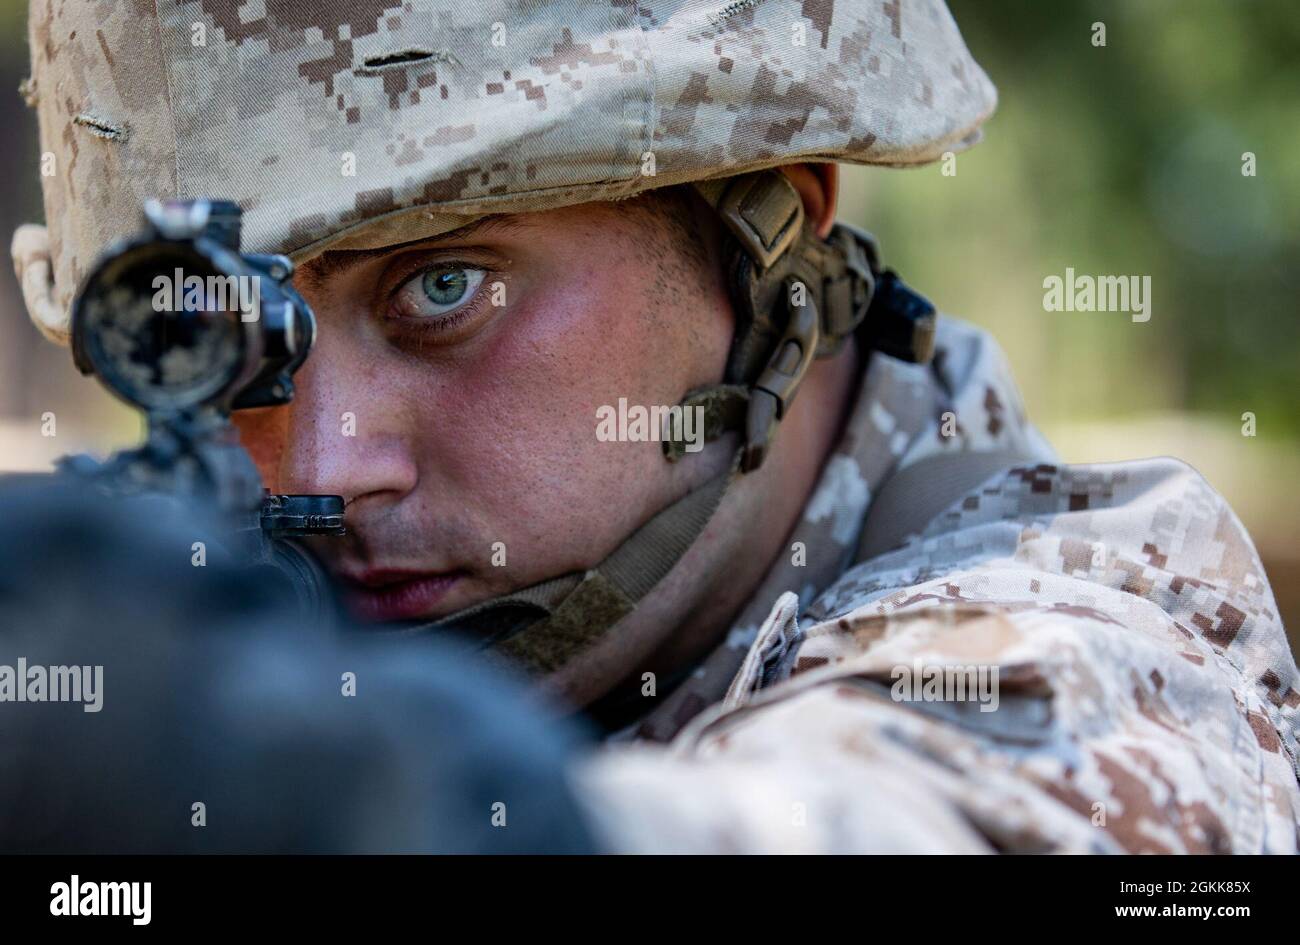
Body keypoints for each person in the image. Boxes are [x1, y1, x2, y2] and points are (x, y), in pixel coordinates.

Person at [12, 0, 1298, 853]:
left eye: (442, 289)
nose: (326, 466)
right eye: (224, 344)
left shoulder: (1084, 637)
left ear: (767, 237)